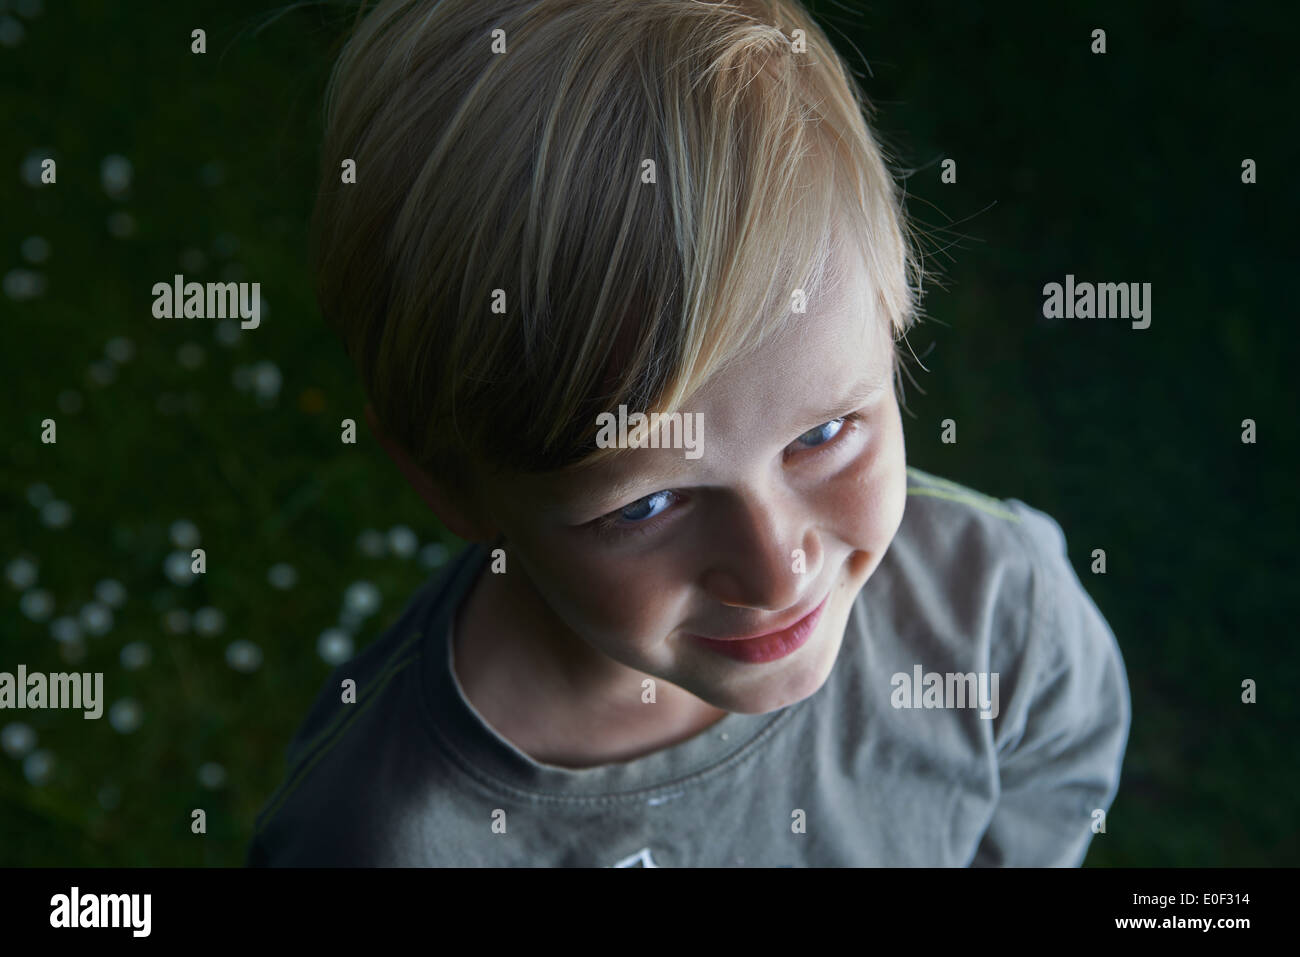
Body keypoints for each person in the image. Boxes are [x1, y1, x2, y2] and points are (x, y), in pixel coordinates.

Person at [248, 0, 1129, 866]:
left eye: (824, 433)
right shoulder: (381, 834)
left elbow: (1059, 767)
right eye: (651, 503)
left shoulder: (997, 614)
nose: (776, 569)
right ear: (450, 485)